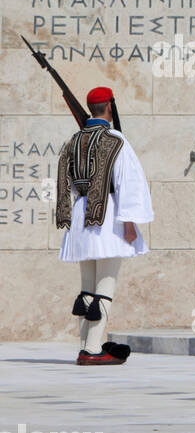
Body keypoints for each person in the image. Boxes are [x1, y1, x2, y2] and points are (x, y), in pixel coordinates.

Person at [56, 86, 154, 366]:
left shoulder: (73, 140)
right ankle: (93, 349)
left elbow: (68, 184)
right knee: (104, 286)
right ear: (110, 107)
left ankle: (86, 345)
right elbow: (128, 183)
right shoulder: (116, 140)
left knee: (86, 289)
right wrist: (130, 223)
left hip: (79, 218)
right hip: (109, 218)